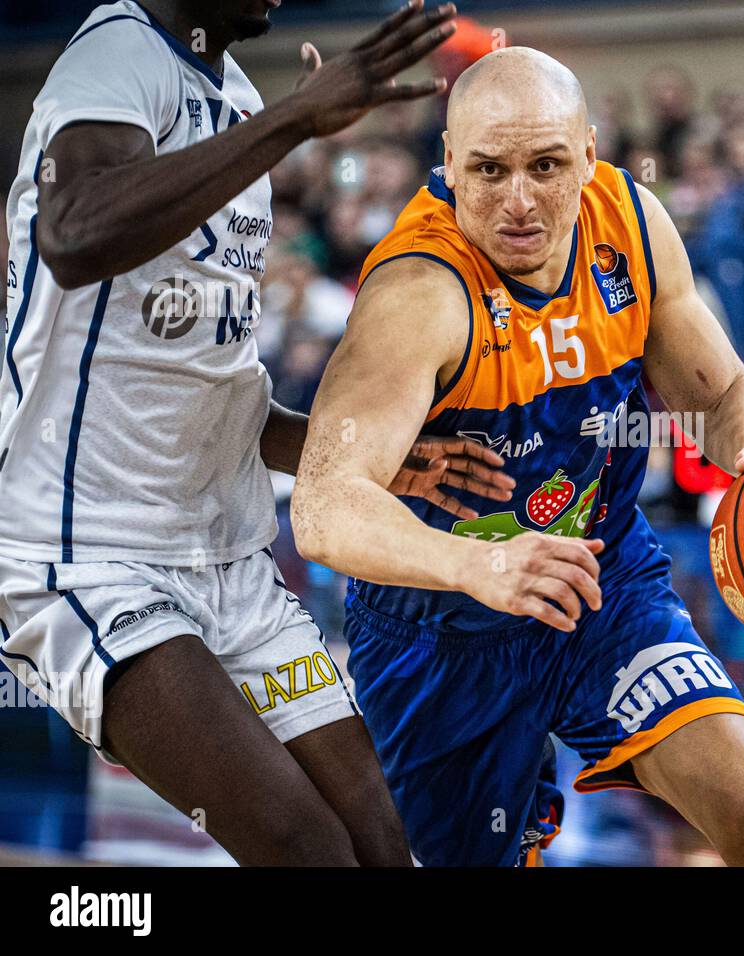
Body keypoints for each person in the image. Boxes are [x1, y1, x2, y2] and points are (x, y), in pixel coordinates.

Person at [290, 47, 744, 867]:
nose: (519, 200)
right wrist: (478, 567)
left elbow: (717, 396)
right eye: (489, 171)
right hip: (438, 633)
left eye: (547, 166)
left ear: (591, 156)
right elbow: (323, 505)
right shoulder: (417, 295)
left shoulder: (631, 224)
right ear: (450, 166)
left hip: (604, 589)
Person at [0, 0, 505, 866]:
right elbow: (74, 231)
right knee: (302, 846)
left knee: (385, 839)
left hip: (229, 566)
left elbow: (225, 400)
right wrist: (291, 121)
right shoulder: (116, 52)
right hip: (86, 554)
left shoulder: (233, 98)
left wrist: (371, 458)